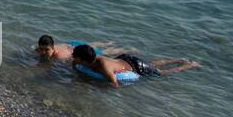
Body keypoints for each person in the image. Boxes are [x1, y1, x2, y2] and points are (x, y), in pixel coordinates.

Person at [71, 44, 199, 85]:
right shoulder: (81, 60)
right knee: (151, 64)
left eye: (75, 56)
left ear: (83, 59)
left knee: (161, 73)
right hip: (122, 59)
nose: (72, 57)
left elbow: (114, 84)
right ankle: (179, 59)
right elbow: (74, 65)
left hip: (133, 66)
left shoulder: (103, 66)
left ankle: (190, 65)